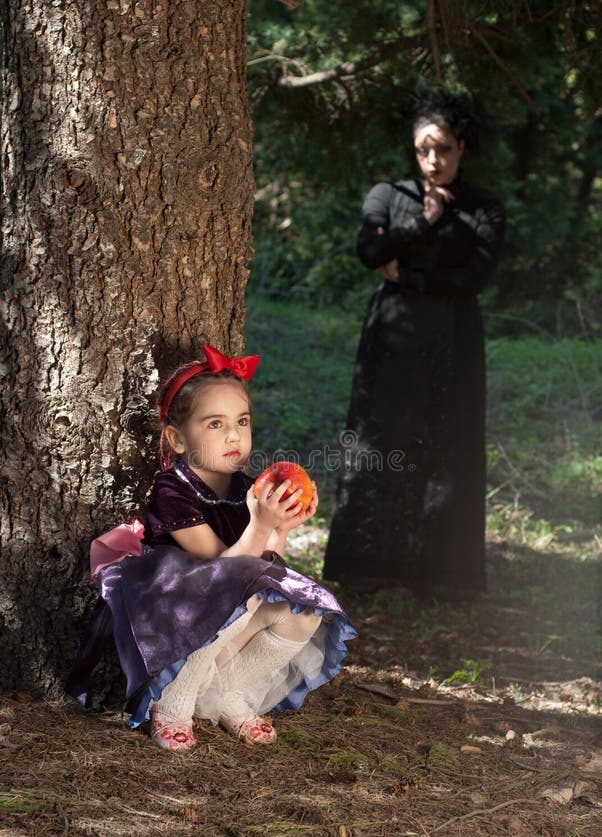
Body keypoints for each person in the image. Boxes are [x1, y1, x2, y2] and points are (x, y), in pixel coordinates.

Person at [67, 345, 356, 751]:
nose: (234, 435)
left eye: (242, 421)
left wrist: (280, 527)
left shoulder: (248, 488)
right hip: (176, 615)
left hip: (226, 612)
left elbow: (266, 570)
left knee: (302, 613)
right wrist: (261, 523)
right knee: (236, 596)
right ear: (177, 439)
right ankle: (172, 701)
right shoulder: (172, 491)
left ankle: (228, 694)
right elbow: (219, 572)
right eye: (215, 424)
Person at [324, 92, 505, 597]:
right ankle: (367, 566)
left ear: (461, 147)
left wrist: (408, 274)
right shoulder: (388, 193)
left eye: (443, 149)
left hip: (453, 339)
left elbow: (474, 278)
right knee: (382, 437)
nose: (433, 160)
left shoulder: (484, 208)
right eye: (424, 149)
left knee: (448, 440)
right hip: (392, 335)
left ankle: (441, 575)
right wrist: (421, 222)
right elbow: (369, 250)